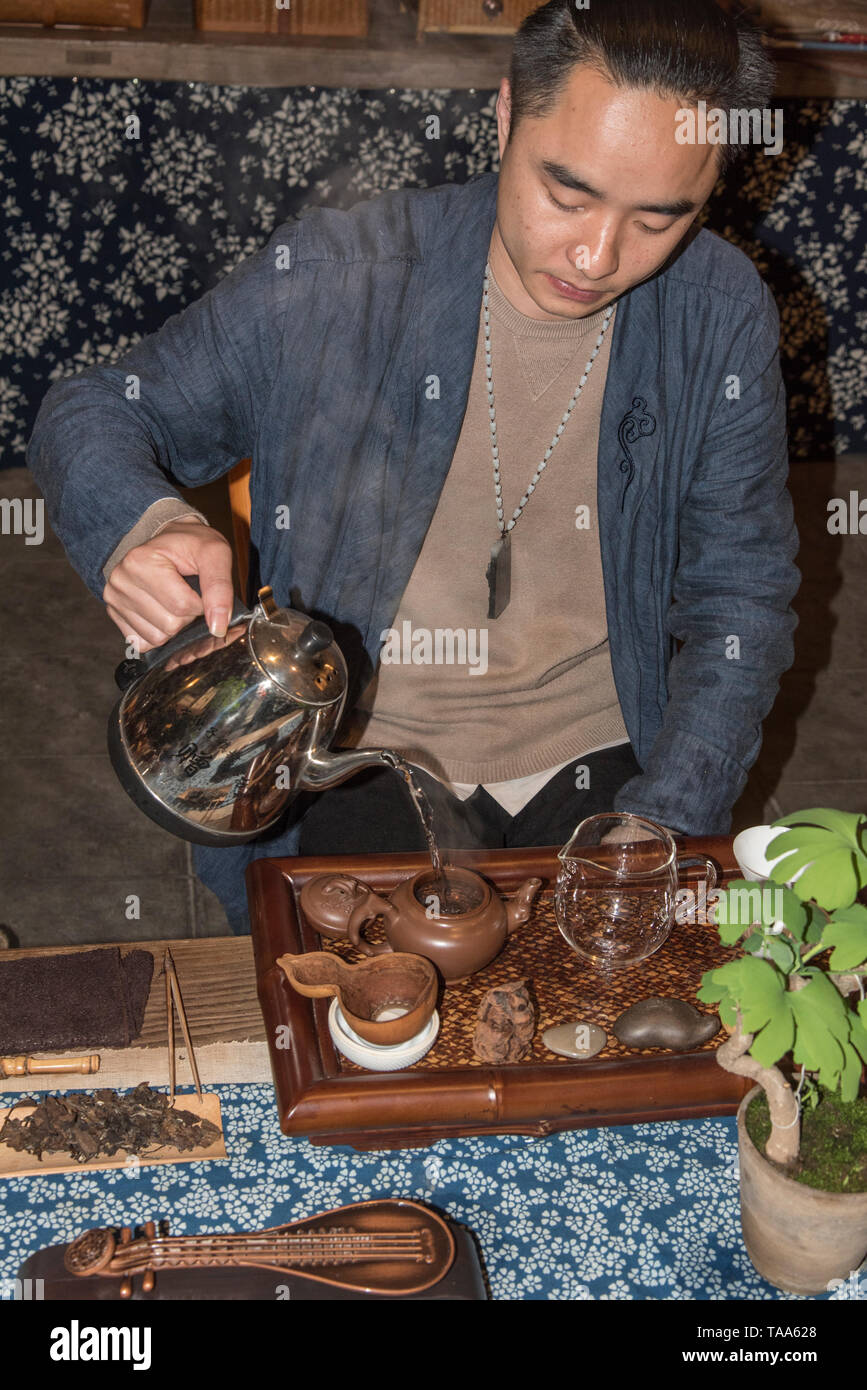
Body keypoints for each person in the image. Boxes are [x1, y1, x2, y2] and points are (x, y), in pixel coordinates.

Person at [27, 0, 799, 936]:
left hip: (601, 753)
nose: (596, 257)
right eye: (567, 193)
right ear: (507, 114)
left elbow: (740, 597)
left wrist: (664, 816)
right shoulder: (341, 273)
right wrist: (145, 522)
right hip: (357, 754)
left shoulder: (716, 311)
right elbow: (96, 408)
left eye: (657, 218)